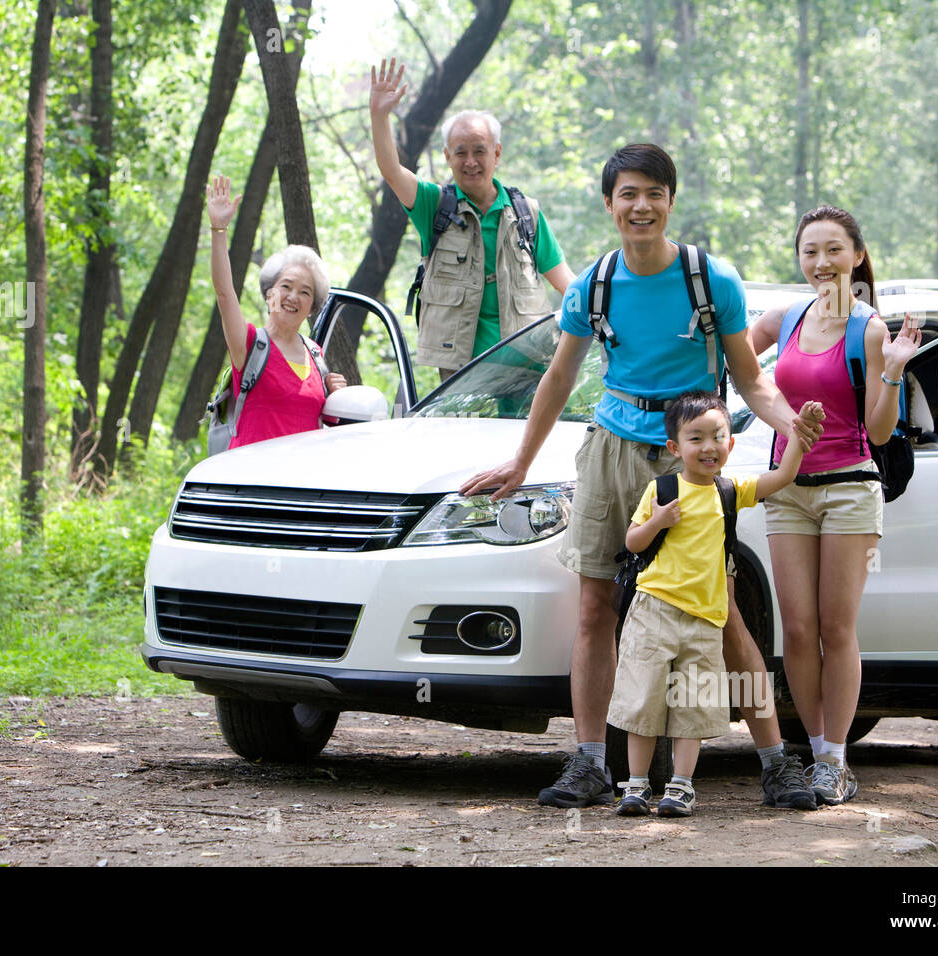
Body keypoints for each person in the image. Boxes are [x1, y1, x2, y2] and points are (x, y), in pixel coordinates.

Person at [460, 144, 823, 811]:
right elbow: (560, 376)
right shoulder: (592, 287)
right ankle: (591, 762)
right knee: (595, 607)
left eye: (653, 193)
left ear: (670, 201)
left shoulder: (712, 281)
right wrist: (519, 460)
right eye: (628, 194)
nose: (641, 206)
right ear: (610, 204)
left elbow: (750, 378)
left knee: (719, 613)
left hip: (691, 460)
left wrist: (788, 421)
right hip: (611, 449)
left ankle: (776, 762)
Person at [748, 205, 920, 805]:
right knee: (796, 628)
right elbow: (737, 359)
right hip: (786, 488)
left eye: (833, 250)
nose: (821, 263)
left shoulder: (870, 329)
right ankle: (814, 747)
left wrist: (894, 371)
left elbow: (877, 431)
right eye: (809, 251)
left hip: (849, 487)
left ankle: (835, 760)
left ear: (857, 255)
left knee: (835, 627)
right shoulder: (784, 316)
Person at [611, 392, 821, 817]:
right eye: (696, 438)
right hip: (653, 611)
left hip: (706, 621)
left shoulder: (730, 491)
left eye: (717, 437)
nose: (708, 447)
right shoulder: (663, 488)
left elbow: (781, 477)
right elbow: (633, 541)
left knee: (693, 704)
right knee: (643, 700)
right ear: (675, 448)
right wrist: (658, 521)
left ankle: (681, 787)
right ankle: (635, 786)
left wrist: (799, 438)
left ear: (731, 443)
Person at [368, 58, 575, 378]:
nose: (471, 161)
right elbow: (392, 172)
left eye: (480, 150)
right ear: (447, 157)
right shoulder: (434, 205)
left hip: (525, 367)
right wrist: (379, 116)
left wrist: (607, 308)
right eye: (460, 152)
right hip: (459, 377)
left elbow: (566, 283)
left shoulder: (526, 213)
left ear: (497, 153)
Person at [207, 174, 346, 449]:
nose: (294, 297)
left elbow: (328, 427)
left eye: (305, 292)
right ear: (270, 293)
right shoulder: (250, 346)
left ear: (310, 308)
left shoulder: (316, 357)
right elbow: (224, 294)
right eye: (286, 286)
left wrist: (339, 399)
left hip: (300, 485)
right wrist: (218, 231)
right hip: (250, 484)